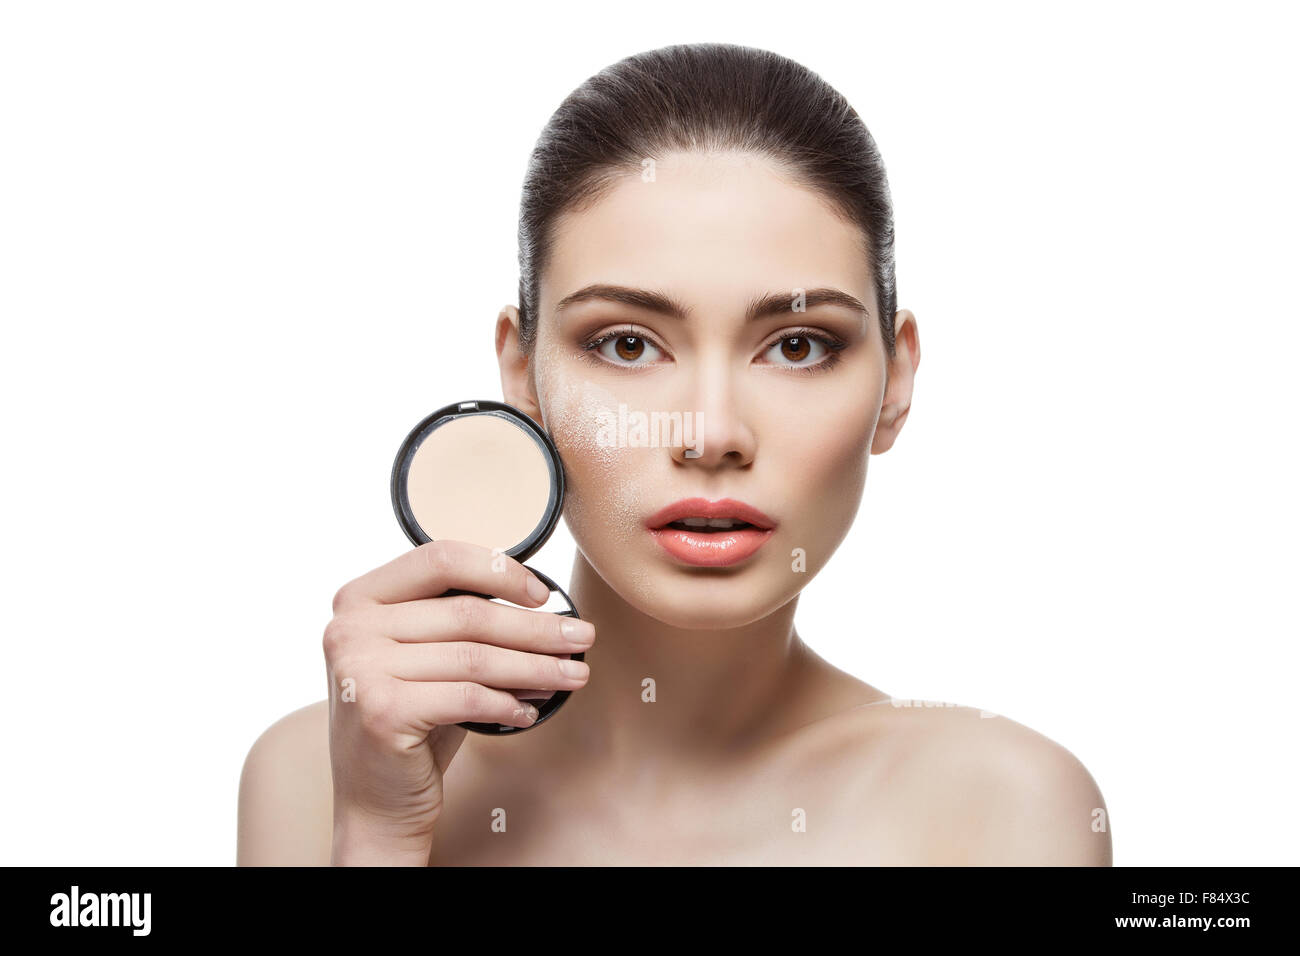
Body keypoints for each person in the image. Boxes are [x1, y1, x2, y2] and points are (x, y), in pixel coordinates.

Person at [238, 42, 1112, 866]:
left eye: (799, 345)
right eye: (626, 345)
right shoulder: (316, 777)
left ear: (895, 381)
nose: (710, 435)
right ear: (523, 377)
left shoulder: (1006, 810)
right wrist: (379, 835)